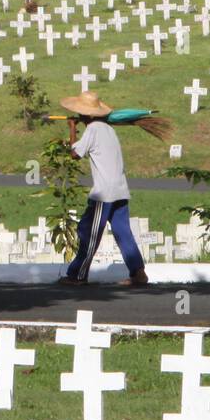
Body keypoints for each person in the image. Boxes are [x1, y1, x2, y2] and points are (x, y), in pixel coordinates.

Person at [55, 90, 171, 287]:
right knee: (123, 232)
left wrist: (72, 128)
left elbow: (75, 154)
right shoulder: (108, 129)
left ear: (85, 114)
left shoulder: (93, 130)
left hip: (104, 193)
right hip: (120, 190)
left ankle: (77, 275)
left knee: (88, 232)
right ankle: (138, 273)